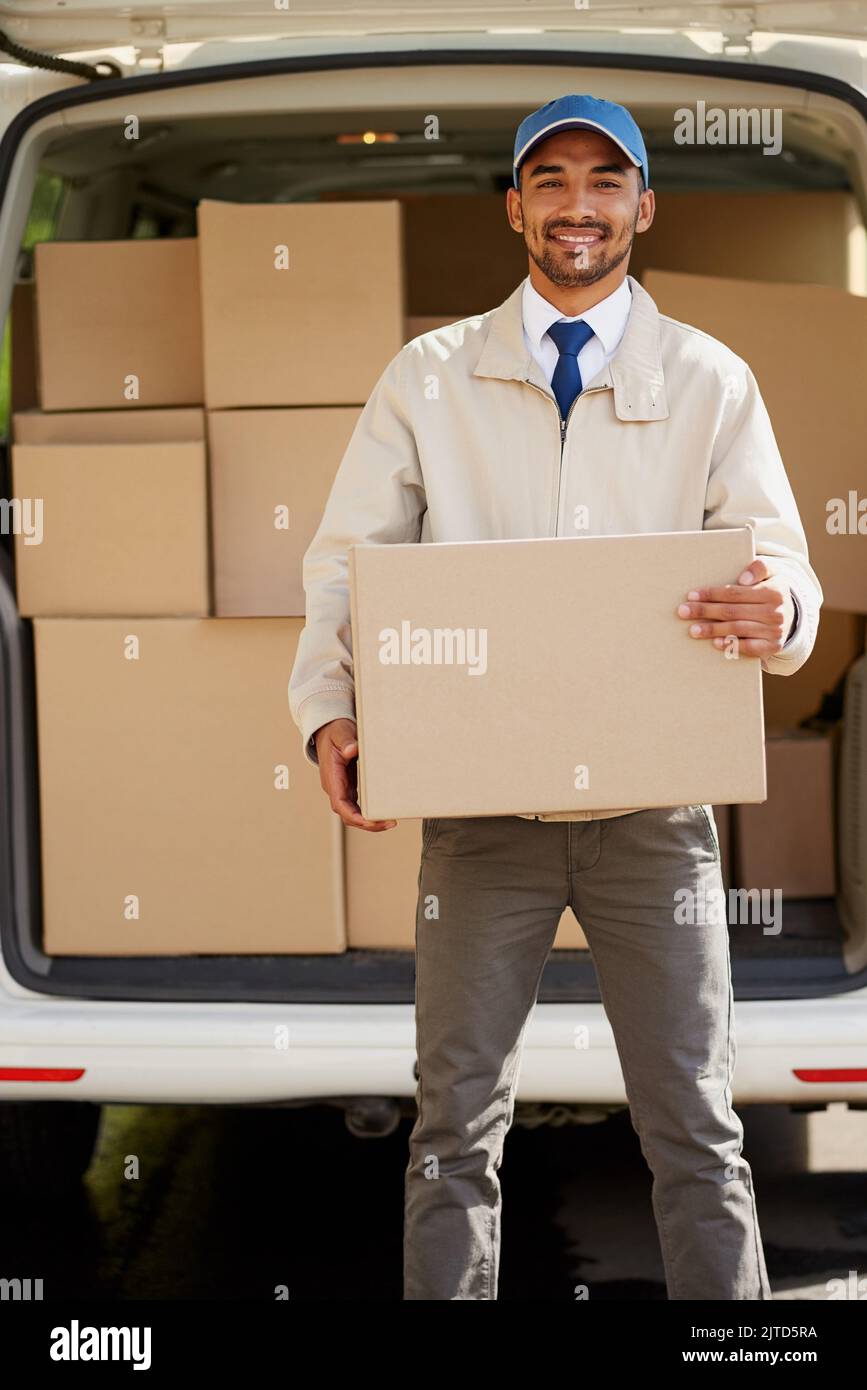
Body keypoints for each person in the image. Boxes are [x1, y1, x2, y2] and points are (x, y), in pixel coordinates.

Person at [288, 93, 823, 1300]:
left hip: (656, 820)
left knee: (696, 1126)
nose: (577, 205)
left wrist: (776, 610)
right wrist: (329, 709)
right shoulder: (428, 377)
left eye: (603, 180)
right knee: (453, 1125)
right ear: (515, 205)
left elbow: (782, 563)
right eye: (551, 180)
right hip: (483, 820)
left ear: (644, 203)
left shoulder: (707, 378)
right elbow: (343, 561)